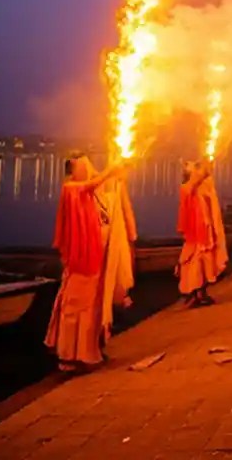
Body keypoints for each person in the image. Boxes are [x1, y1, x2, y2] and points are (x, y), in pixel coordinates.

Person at [46, 155, 123, 372]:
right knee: (75, 309)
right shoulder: (70, 189)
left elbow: (98, 183)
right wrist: (111, 168)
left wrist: (117, 172)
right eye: (83, 166)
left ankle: (85, 353)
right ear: (73, 170)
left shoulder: (86, 192)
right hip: (79, 262)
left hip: (90, 259)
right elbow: (93, 183)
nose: (88, 170)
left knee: (89, 309)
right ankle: (68, 359)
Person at [96, 170, 137, 338]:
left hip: (115, 245)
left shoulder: (115, 193)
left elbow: (126, 212)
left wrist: (132, 235)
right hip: (105, 249)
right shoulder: (103, 198)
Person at [177, 161, 218, 307]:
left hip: (203, 228)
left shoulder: (198, 187)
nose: (192, 166)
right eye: (189, 166)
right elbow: (197, 180)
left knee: (204, 262)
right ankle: (195, 294)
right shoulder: (186, 188)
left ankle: (202, 293)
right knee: (195, 264)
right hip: (194, 232)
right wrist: (203, 170)